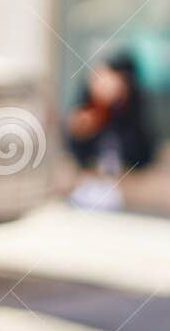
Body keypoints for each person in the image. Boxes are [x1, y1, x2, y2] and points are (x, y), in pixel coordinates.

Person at [64, 50, 159, 211]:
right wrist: (80, 132)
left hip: (125, 191)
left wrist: (117, 107)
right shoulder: (87, 108)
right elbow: (76, 153)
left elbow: (144, 154)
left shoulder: (132, 110)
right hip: (89, 189)